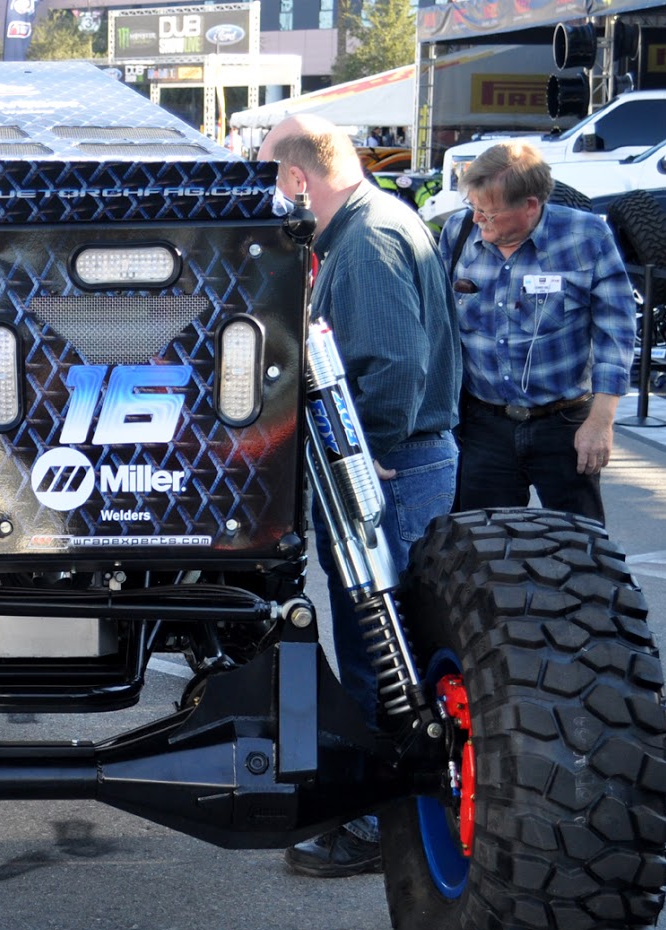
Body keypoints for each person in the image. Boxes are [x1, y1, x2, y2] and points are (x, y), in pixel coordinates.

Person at [259, 114, 462, 878]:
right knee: (381, 647)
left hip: (391, 471)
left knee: (387, 653)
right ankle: (386, 816)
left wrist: (361, 456)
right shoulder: (361, 230)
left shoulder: (369, 241)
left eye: (266, 178)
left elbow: (394, 369)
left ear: (296, 180)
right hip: (396, 465)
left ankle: (386, 828)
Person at [440, 140, 634, 525]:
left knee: (582, 551)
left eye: (489, 213)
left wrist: (600, 422)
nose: (478, 220)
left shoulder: (587, 238)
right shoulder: (458, 233)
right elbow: (439, 327)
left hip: (564, 426)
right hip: (483, 425)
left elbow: (617, 333)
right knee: (480, 550)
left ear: (530, 206)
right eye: (473, 208)